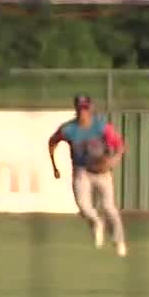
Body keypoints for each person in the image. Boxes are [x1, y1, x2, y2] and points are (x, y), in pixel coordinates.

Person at [47, 95, 128, 257]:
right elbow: (52, 142)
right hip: (81, 170)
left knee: (109, 207)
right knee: (83, 206)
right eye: (80, 109)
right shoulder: (69, 129)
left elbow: (119, 145)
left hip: (102, 172)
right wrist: (54, 166)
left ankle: (119, 241)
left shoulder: (101, 126)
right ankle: (97, 223)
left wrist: (114, 160)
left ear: (90, 109)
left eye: (85, 108)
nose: (82, 112)